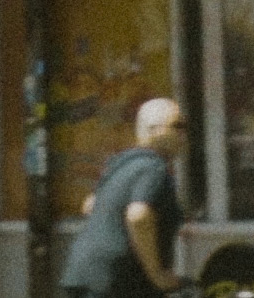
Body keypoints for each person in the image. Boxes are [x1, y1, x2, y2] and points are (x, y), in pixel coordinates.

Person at [62, 98, 189, 298]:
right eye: (178, 126)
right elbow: (138, 216)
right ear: (153, 130)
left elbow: (89, 205)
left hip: (83, 275)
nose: (184, 134)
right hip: (121, 282)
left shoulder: (120, 164)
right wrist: (157, 275)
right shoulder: (154, 167)